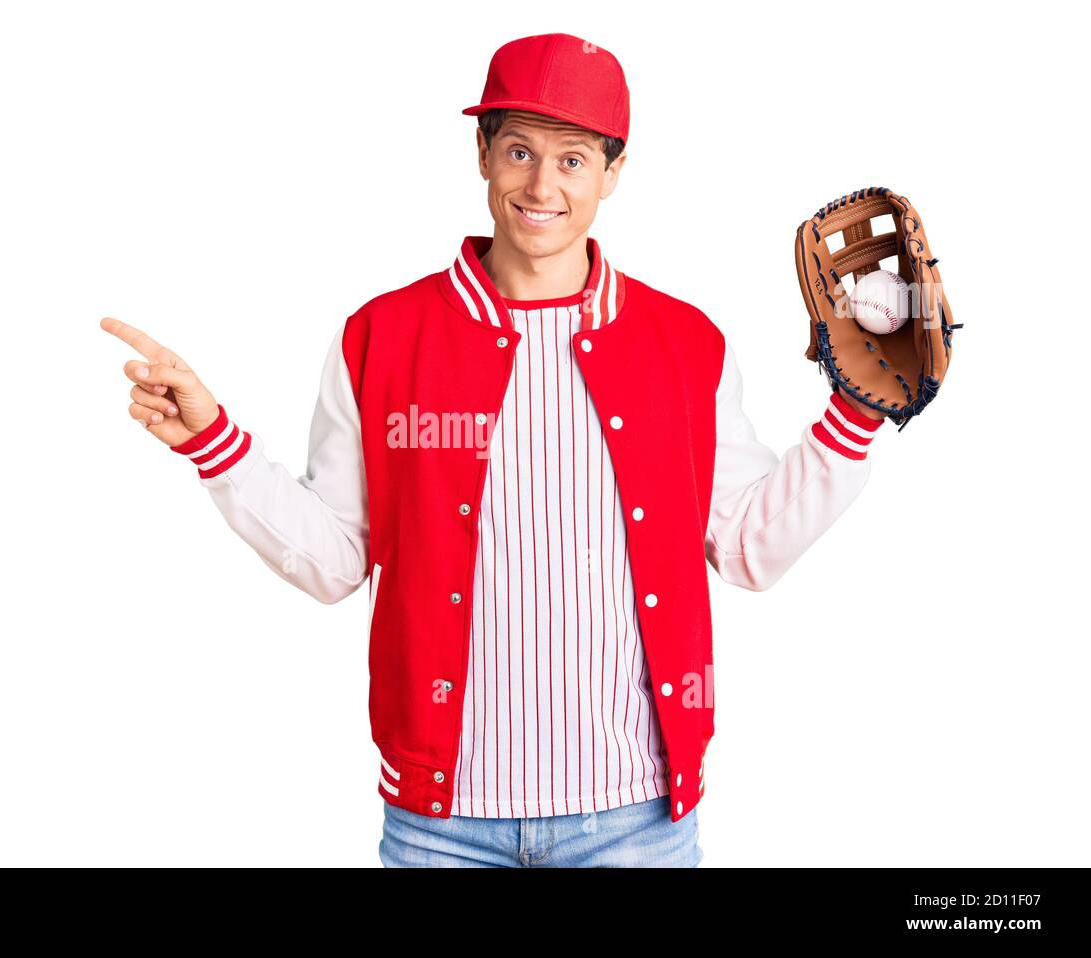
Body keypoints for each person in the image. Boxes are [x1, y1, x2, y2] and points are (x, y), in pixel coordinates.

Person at [100, 33, 887, 867]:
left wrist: (858, 414)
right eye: (519, 150)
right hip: (440, 824)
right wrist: (211, 443)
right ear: (481, 154)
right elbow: (335, 558)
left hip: (635, 819)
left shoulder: (685, 344)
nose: (542, 186)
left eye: (574, 160)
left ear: (613, 174)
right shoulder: (382, 337)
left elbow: (747, 545)